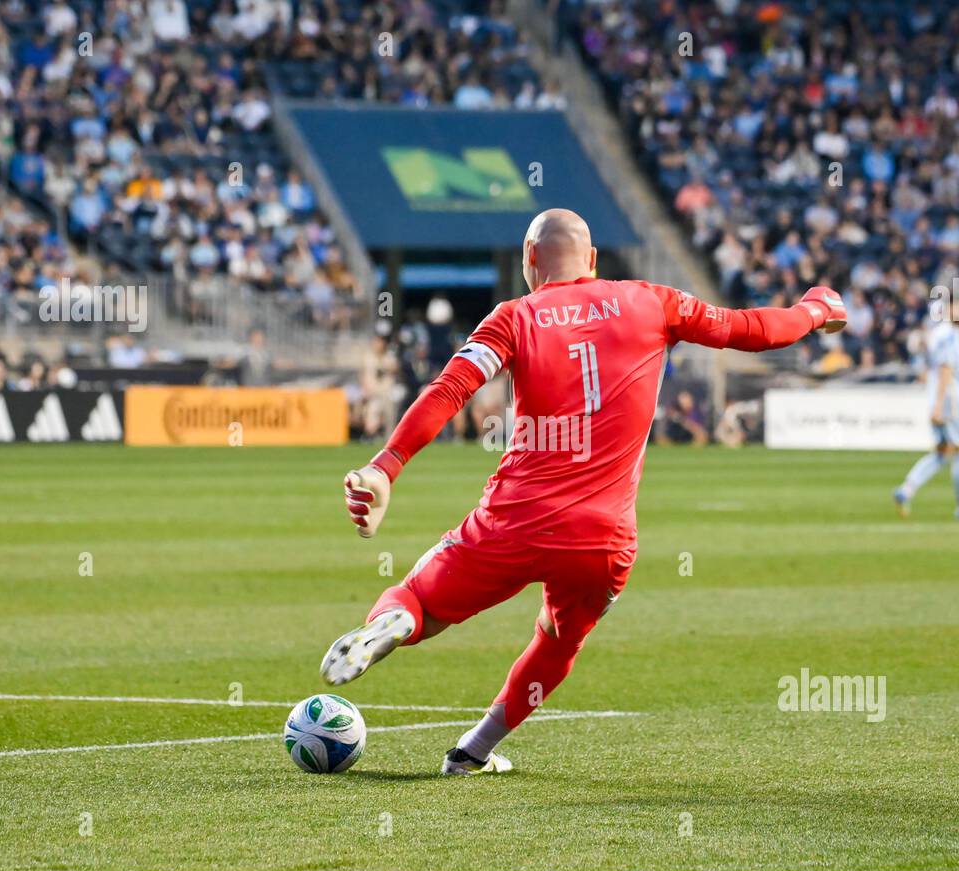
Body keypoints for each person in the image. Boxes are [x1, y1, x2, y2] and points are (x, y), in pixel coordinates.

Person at [322, 209, 846, 774]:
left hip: (514, 521)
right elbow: (753, 330)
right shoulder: (653, 302)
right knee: (558, 640)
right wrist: (814, 308)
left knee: (422, 602)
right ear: (593, 260)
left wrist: (386, 465)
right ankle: (473, 752)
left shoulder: (514, 316)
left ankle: (395, 623)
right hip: (603, 541)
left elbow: (452, 387)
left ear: (529, 263)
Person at [893, 301, 959, 520]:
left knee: (940, 452)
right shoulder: (950, 335)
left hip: (940, 396)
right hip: (949, 401)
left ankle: (906, 490)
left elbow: (939, 371)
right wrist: (940, 405)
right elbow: (946, 369)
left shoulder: (939, 334)